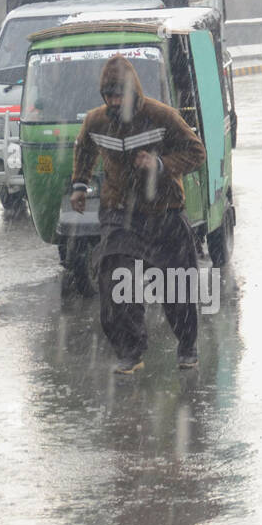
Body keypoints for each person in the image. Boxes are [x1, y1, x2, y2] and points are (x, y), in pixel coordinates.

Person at [70, 55, 207, 374]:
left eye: (121, 94)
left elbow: (196, 152)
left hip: (164, 210)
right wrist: (79, 184)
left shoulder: (162, 117)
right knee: (116, 277)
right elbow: (84, 148)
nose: (115, 101)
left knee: (177, 284)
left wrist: (160, 165)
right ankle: (130, 351)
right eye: (109, 96)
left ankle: (187, 345)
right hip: (119, 212)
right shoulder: (96, 121)